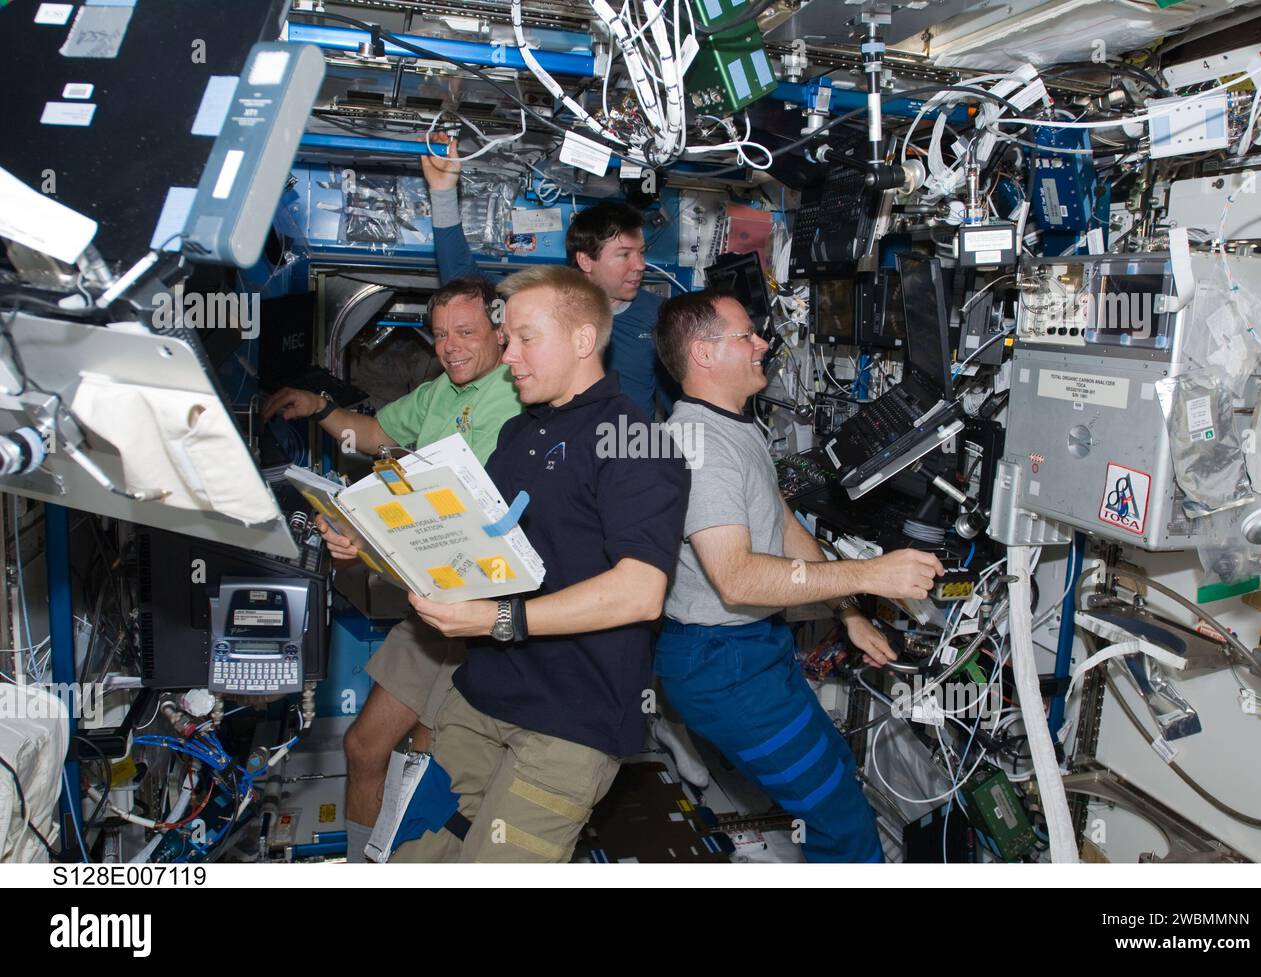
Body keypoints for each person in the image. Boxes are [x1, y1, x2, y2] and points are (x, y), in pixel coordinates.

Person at [388, 264, 688, 863]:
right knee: (409, 855)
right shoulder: (520, 433)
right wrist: (375, 542)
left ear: (582, 341)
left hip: (569, 724)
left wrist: (498, 620)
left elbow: (639, 592)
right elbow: (475, 551)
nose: (509, 356)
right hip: (480, 698)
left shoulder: (635, 438)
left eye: (526, 338)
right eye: (508, 339)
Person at [652, 289, 946, 863]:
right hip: (721, 661)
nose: (763, 343)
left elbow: (782, 523)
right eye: (747, 336)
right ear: (704, 354)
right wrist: (873, 573)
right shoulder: (702, 446)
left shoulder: (734, 427)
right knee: (840, 823)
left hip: (751, 646)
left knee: (835, 770)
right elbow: (735, 579)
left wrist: (850, 612)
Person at [261, 274, 521, 863]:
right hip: (430, 607)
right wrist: (323, 409)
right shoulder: (438, 395)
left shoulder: (524, 391)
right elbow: (377, 437)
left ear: (502, 333)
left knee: (426, 773)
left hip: (488, 618)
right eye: (439, 335)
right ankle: (362, 865)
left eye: (465, 332)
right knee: (363, 746)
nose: (450, 347)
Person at [421, 140, 669, 419]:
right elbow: (462, 283)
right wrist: (442, 192)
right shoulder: (542, 303)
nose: (640, 265)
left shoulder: (659, 316)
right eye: (624, 255)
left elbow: (674, 394)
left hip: (628, 451)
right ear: (586, 260)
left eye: (641, 253)